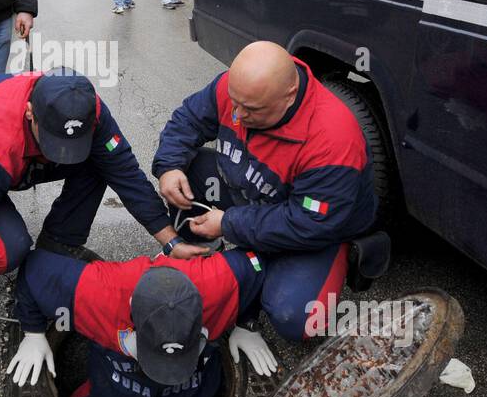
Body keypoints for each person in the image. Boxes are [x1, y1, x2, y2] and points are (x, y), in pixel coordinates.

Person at [0, 69, 210, 397]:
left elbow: (124, 172)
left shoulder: (90, 110)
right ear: (31, 113)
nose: (63, 154)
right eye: (57, 145)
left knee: (98, 161)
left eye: (71, 144)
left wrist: (171, 241)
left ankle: (55, 249)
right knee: (8, 250)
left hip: (22, 154)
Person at [152, 41, 378, 340]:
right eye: (234, 102)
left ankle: (338, 256)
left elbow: (307, 224)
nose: (237, 114)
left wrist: (229, 224)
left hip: (312, 225)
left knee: (298, 318)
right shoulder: (240, 91)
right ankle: (204, 258)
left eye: (251, 110)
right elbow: (189, 119)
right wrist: (169, 166)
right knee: (186, 171)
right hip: (252, 188)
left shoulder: (333, 142)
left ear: (289, 96)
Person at [7, 248, 278, 397]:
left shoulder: (216, 283)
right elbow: (33, 267)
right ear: (129, 321)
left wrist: (247, 324)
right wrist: (33, 333)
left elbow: (257, 264)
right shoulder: (100, 292)